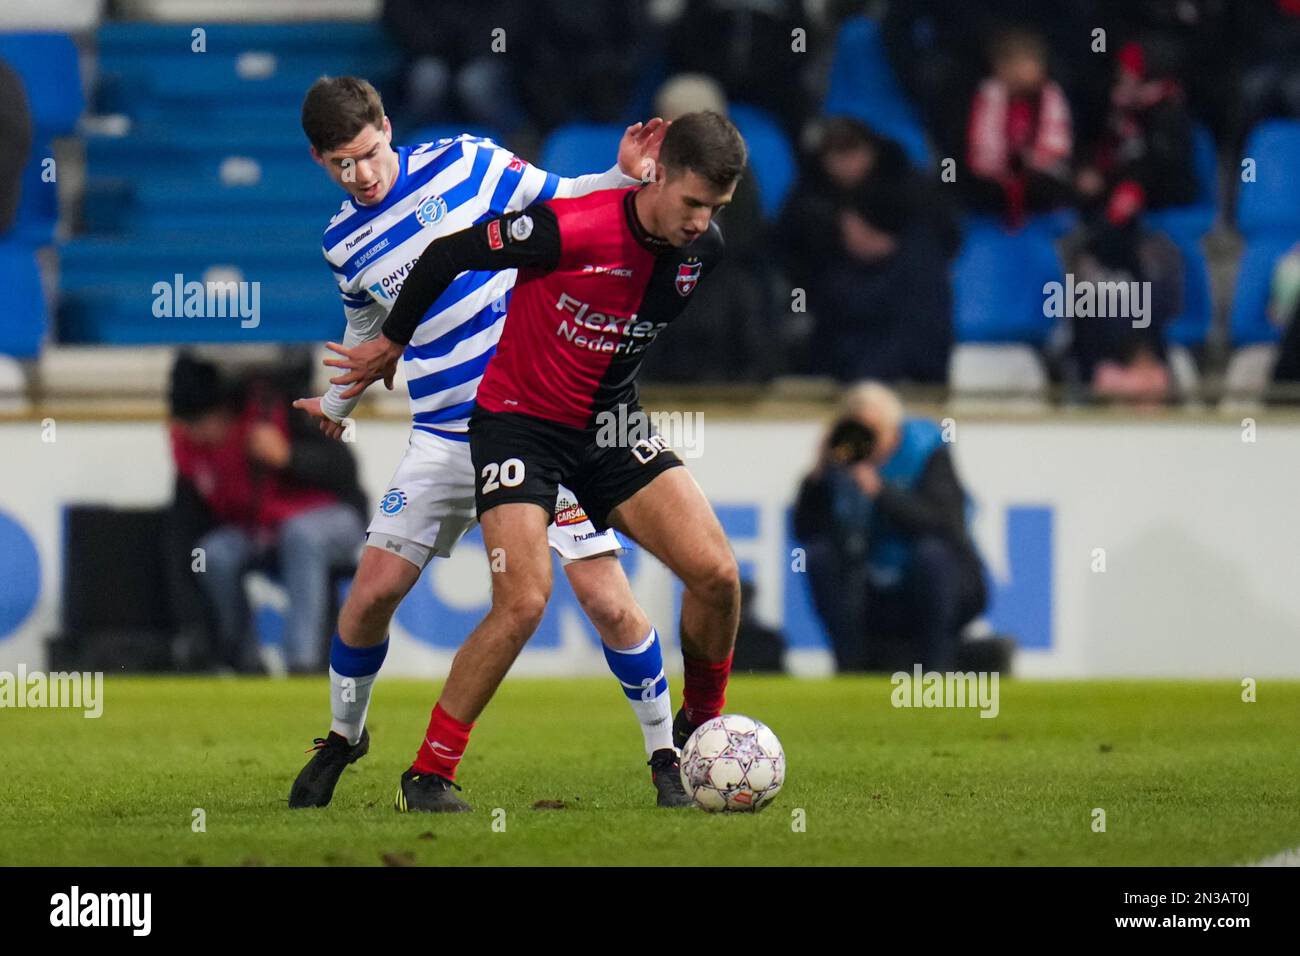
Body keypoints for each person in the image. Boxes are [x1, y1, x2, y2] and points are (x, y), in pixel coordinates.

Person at [288, 76, 692, 810]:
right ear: (319, 160)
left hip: (537, 422)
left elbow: (563, 201)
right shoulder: (341, 242)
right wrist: (339, 402)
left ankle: (667, 757)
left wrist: (619, 174)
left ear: (388, 127)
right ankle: (344, 737)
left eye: (370, 153)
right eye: (342, 164)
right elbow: (365, 328)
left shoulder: (466, 163)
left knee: (607, 602)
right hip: (444, 435)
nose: (362, 174)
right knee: (369, 595)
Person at [168, 354, 367, 674]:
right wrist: (192, 623)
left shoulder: (285, 411)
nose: (198, 433)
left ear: (224, 412)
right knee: (213, 553)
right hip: (260, 528)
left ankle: (302, 662)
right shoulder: (193, 452)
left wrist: (289, 457)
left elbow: (345, 470)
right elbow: (183, 532)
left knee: (300, 536)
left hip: (333, 517)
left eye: (203, 422)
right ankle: (244, 661)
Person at [793, 382, 987, 673]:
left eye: (873, 432)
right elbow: (803, 530)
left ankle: (936, 667)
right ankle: (849, 667)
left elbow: (943, 521)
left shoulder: (927, 452)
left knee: (932, 556)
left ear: (893, 430)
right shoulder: (841, 463)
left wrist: (880, 491)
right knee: (819, 556)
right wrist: (817, 475)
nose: (866, 443)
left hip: (933, 581)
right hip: (869, 587)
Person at [779, 117, 959, 383]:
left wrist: (890, 247)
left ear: (871, 150)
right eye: (834, 155)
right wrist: (834, 230)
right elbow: (788, 251)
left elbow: (949, 234)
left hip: (901, 312)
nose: (844, 164)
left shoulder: (909, 190)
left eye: (852, 151)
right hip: (836, 322)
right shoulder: (809, 197)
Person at [964, 26, 1073, 229]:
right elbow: (981, 141)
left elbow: (1058, 140)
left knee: (1055, 186)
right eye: (1024, 64)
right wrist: (1002, 168)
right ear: (1003, 67)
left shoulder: (1050, 95)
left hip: (1037, 172)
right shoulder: (989, 96)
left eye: (1036, 63)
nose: (1034, 70)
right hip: (996, 176)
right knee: (975, 190)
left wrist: (1033, 160)